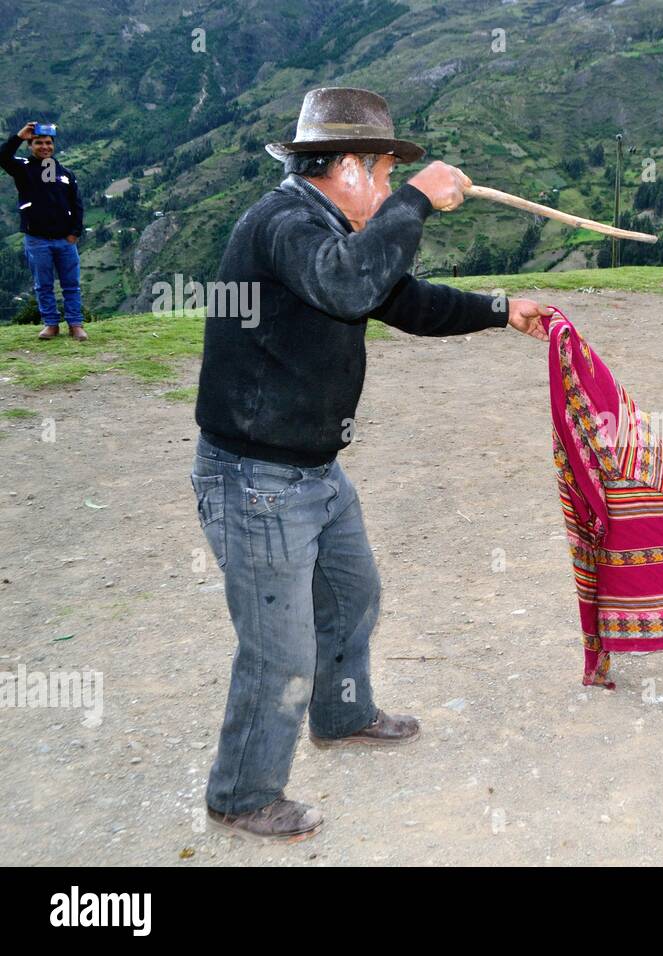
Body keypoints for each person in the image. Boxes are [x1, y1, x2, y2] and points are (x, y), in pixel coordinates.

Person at [189, 88, 553, 842]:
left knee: (353, 596)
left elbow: (401, 299)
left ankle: (343, 714)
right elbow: (351, 282)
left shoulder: (329, 234)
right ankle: (242, 793)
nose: (387, 189)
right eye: (384, 174)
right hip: (255, 477)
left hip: (312, 469)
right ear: (348, 167)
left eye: (395, 178)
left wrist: (499, 308)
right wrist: (416, 201)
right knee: (278, 647)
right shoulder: (284, 226)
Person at [0, 122, 86, 340]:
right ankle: (51, 324)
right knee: (43, 285)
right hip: (37, 240)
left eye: (48, 143)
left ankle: (76, 324)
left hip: (65, 240)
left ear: (53, 146)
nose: (44, 147)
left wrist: (75, 233)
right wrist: (18, 136)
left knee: (71, 285)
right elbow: (2, 157)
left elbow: (77, 205)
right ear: (31, 146)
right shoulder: (23, 168)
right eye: (39, 143)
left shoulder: (66, 174)